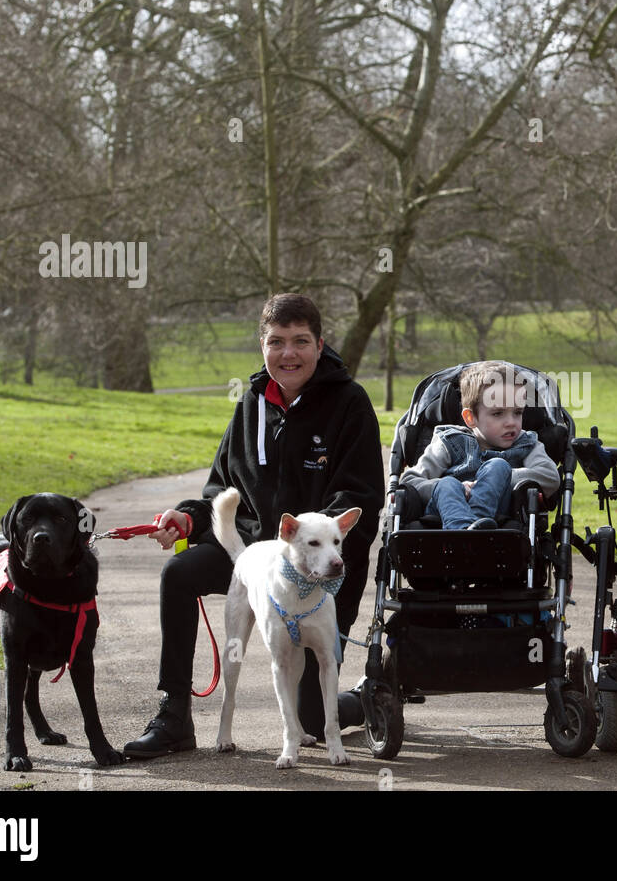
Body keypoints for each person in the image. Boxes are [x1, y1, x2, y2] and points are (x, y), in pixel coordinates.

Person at [123, 293, 384, 758]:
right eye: (277, 342)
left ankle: (363, 699)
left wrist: (305, 550)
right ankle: (174, 715)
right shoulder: (250, 406)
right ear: (262, 345)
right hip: (248, 557)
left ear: (320, 345)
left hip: (317, 573)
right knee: (178, 576)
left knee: (306, 716)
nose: (288, 354)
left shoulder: (350, 403)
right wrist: (186, 517)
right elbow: (218, 488)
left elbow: (360, 499)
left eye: (300, 341)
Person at [400, 361, 560, 529]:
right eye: (498, 413)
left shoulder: (526, 444)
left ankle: (474, 528)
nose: (511, 423)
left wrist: (500, 478)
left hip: (499, 522)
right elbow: (410, 481)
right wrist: (445, 487)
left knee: (498, 466)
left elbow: (550, 477)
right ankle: (465, 530)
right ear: (471, 418)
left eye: (518, 412)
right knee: (447, 484)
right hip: (443, 520)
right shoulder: (450, 442)